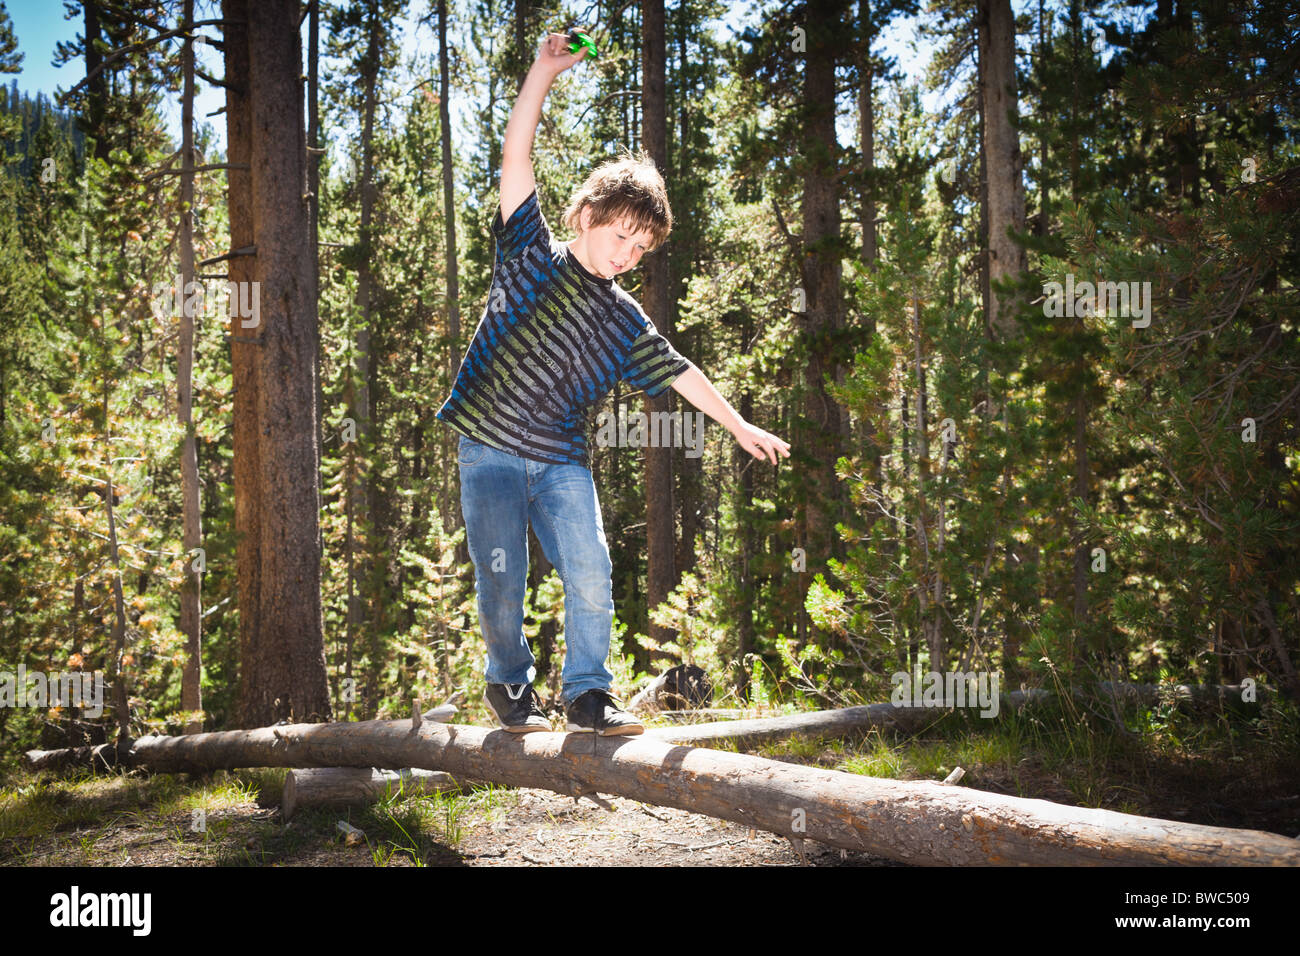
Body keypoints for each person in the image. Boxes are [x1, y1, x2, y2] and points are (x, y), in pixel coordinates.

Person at [436, 32, 789, 736]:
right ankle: (508, 687)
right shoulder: (528, 251)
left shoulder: (624, 318)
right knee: (502, 581)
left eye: (640, 248)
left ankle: (588, 697)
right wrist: (543, 71)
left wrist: (738, 425)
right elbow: (515, 155)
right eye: (619, 235)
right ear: (588, 214)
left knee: (592, 570)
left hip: (560, 460)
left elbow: (680, 369)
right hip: (490, 449)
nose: (626, 254)